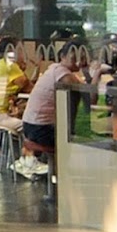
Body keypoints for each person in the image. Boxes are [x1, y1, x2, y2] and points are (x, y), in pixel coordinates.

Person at [17, 40, 84, 177]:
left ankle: (57, 174)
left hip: (31, 125)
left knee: (71, 132)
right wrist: (95, 72)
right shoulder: (63, 74)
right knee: (75, 139)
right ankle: (62, 176)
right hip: (40, 129)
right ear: (63, 56)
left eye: (82, 58)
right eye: (74, 58)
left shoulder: (54, 69)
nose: (78, 62)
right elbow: (89, 96)